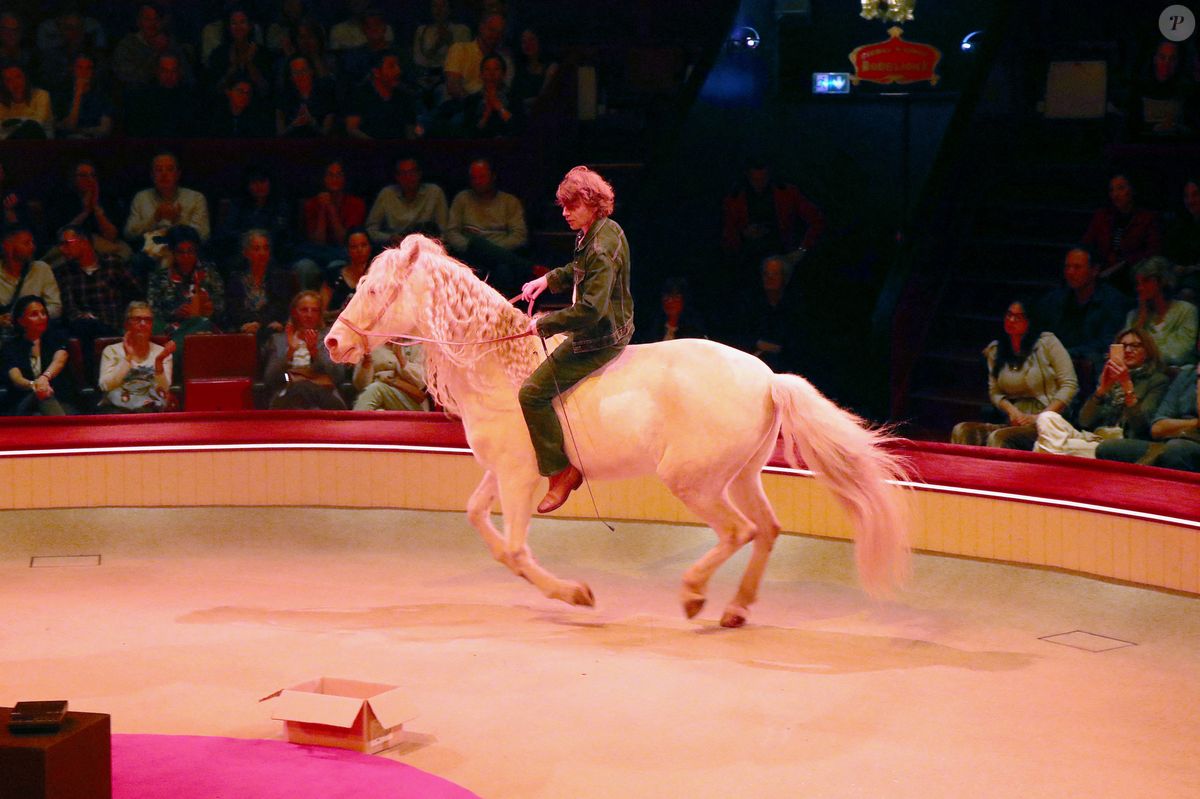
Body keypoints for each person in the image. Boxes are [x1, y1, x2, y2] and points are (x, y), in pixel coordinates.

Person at [516, 166, 633, 513]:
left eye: (571, 206)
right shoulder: (600, 230)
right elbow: (579, 273)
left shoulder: (598, 246)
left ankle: (560, 472)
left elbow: (591, 311)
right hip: (615, 323)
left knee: (531, 394)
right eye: (563, 206)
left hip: (601, 336)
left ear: (592, 203)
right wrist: (549, 280)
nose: (564, 213)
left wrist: (545, 323)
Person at [950, 300, 1078, 450]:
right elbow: (995, 392)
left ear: (1030, 321)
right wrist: (1013, 412)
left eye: (1018, 317)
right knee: (963, 430)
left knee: (999, 437)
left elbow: (1069, 384)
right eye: (1009, 315)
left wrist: (1040, 417)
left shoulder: (1047, 342)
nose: (1011, 320)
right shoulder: (995, 350)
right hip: (1015, 421)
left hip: (1046, 421)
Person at [1034, 328, 1170, 458]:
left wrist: (1127, 386)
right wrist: (1102, 390)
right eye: (1123, 346)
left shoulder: (1157, 381)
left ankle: (1050, 459)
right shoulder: (1109, 377)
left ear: (1147, 351)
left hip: (1121, 446)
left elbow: (1142, 428)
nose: (1128, 350)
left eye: (1136, 346)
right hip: (1095, 439)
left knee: (1042, 445)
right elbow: (1084, 421)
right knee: (1047, 417)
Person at [721, 160, 825, 279]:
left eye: (763, 179)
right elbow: (727, 239)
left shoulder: (788, 193)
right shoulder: (734, 201)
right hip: (749, 263)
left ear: (770, 175)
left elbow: (817, 220)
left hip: (784, 258)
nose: (760, 184)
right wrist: (743, 235)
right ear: (747, 177)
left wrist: (801, 250)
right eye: (755, 180)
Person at [444, 158, 531, 297]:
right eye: (474, 178)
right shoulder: (462, 199)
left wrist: (490, 249)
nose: (478, 181)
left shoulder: (509, 202)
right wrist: (472, 247)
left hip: (502, 256)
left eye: (482, 177)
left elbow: (519, 236)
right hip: (470, 254)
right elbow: (451, 232)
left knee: (504, 270)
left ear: (493, 177)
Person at [1035, 246, 1129, 373]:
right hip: (1057, 362)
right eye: (1067, 267)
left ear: (1094, 270)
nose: (1070, 272)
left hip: (1092, 364)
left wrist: (1068, 354)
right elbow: (1043, 334)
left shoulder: (1113, 301)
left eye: (1077, 267)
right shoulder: (1054, 299)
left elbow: (1108, 341)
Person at [1095, 362, 1200, 472]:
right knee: (1107, 448)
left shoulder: (1157, 381)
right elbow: (1158, 428)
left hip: (1186, 445)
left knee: (1177, 449)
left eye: (1135, 345)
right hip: (1170, 442)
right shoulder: (1187, 374)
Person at [124, 151, 211, 281]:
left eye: (170, 169)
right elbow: (128, 233)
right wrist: (154, 219)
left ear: (178, 174)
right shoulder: (141, 197)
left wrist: (178, 221)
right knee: (137, 260)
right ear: (152, 175)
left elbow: (203, 235)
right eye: (159, 170)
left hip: (185, 251)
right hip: (151, 252)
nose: (164, 174)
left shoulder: (195, 198)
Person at [53, 224, 141, 347]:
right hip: (82, 329)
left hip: (112, 327)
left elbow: (136, 293)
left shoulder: (112, 263)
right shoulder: (64, 272)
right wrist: (82, 317)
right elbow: (69, 306)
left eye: (66, 243)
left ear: (84, 241)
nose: (62, 249)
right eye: (60, 245)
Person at [146, 225, 224, 361]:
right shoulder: (159, 277)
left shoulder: (208, 272)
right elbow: (152, 310)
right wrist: (174, 313)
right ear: (172, 252)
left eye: (191, 251)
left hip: (201, 327)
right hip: (170, 329)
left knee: (202, 323)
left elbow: (221, 303)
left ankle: (165, 358)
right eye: (181, 252)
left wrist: (212, 308)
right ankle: (167, 356)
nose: (186, 256)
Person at [263, 289, 347, 410]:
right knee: (299, 391)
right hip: (287, 394)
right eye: (304, 310)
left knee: (303, 388)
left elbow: (338, 375)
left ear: (320, 314)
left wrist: (315, 353)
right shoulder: (278, 340)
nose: (309, 314)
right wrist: (290, 353)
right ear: (294, 312)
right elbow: (270, 379)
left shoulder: (331, 338)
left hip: (325, 395)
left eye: (314, 310)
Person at [1081, 173, 1162, 294]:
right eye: (1112, 190)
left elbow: (1153, 251)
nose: (1115, 194)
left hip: (1130, 270)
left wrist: (1123, 264)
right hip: (1103, 266)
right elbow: (1087, 244)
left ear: (1132, 190)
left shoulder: (1146, 218)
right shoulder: (1102, 216)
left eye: (1120, 188)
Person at [729, 255, 805, 373]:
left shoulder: (794, 304)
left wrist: (781, 349)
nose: (769, 278)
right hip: (755, 361)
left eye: (775, 274)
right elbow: (737, 334)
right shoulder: (750, 302)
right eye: (766, 274)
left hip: (787, 364)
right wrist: (758, 343)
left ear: (784, 277)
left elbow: (798, 340)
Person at [97, 301, 174, 413]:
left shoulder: (162, 353)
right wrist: (128, 358)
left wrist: (159, 362)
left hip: (151, 409)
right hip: (119, 408)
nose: (143, 324)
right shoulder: (111, 350)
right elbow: (105, 386)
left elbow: (164, 389)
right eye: (137, 319)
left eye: (147, 320)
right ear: (127, 324)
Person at [295, 159, 367, 279]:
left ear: (344, 178)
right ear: (324, 178)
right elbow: (318, 241)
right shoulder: (311, 204)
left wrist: (331, 209)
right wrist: (323, 210)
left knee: (336, 266)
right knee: (304, 266)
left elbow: (344, 240)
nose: (335, 179)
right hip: (317, 253)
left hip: (342, 254)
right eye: (330, 175)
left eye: (338, 175)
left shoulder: (356, 204)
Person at [3, 294, 74, 415]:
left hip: (59, 400)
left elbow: (60, 359)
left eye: (43, 313)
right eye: (34, 314)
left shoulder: (56, 337)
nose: (41, 317)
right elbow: (16, 378)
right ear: (21, 321)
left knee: (41, 410)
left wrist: (44, 378)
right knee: (42, 394)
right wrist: (35, 385)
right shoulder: (11, 346)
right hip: (24, 402)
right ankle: (64, 432)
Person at [1124, 256, 1199, 368]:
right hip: (1142, 375)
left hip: (1178, 376)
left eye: (1146, 281)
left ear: (1162, 281)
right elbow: (1124, 351)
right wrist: (1140, 320)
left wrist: (1142, 353)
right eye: (1137, 283)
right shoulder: (1133, 316)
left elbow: (1178, 354)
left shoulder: (1186, 311)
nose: (1139, 288)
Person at [222, 229, 295, 343]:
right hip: (245, 330)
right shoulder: (235, 280)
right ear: (246, 253)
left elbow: (282, 307)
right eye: (256, 249)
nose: (262, 253)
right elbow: (233, 310)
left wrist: (261, 323)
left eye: (265, 248)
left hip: (273, 329)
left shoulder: (282, 278)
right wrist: (245, 325)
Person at [364, 157, 447, 246]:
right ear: (397, 177)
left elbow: (444, 231)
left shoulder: (434, 192)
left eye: (412, 172)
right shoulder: (387, 194)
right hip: (395, 249)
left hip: (428, 248)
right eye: (403, 173)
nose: (408, 177)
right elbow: (371, 230)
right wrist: (389, 238)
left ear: (419, 174)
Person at [0, 226, 62, 342]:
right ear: (8, 246)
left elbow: (56, 307)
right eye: (26, 243)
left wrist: (33, 316)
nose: (33, 247)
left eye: (32, 242)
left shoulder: (41, 269)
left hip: (35, 334)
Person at [111, 2, 193, 89]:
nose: (152, 24)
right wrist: (156, 53)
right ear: (138, 21)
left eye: (156, 19)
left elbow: (187, 76)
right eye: (147, 19)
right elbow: (126, 77)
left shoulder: (170, 43)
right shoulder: (127, 45)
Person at [344, 50, 418, 140]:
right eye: (392, 66)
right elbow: (352, 129)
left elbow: (410, 132)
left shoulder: (404, 97)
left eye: (398, 66)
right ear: (376, 72)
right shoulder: (360, 94)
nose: (398, 71)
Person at [122, 52, 199, 138]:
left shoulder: (189, 96)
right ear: (157, 71)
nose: (169, 76)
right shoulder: (144, 96)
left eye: (174, 71)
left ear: (180, 72)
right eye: (165, 71)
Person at [204, 6, 271, 99]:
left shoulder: (264, 53)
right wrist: (233, 68)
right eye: (234, 23)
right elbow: (215, 89)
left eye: (242, 22)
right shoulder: (219, 53)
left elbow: (266, 90)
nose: (238, 27)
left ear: (250, 25)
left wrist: (248, 63)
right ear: (229, 27)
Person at [351, 341, 429, 411]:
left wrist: (401, 359)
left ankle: (352, 425)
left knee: (377, 388)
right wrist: (365, 366)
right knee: (379, 412)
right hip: (376, 398)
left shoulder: (416, 345)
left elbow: (421, 383)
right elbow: (361, 386)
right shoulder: (372, 345)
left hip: (411, 401)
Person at [52, 52, 112, 139]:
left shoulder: (102, 95)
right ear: (73, 69)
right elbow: (65, 125)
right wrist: (78, 94)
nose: (84, 72)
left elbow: (105, 129)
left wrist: (81, 131)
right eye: (79, 67)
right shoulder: (62, 94)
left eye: (88, 68)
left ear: (93, 71)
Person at [460, 53, 521, 137]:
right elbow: (469, 132)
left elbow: (519, 127)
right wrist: (486, 114)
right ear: (481, 74)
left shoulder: (514, 96)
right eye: (487, 69)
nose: (491, 74)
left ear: (503, 74)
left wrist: (499, 107)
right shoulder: (472, 100)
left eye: (496, 69)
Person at [275, 53, 335, 137]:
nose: (301, 76)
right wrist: (294, 125)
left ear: (312, 72)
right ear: (291, 77)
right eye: (296, 72)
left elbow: (327, 133)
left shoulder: (325, 96)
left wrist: (312, 123)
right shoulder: (284, 98)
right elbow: (280, 134)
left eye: (304, 70)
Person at [321, 226, 371, 323]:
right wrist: (340, 313)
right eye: (354, 247)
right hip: (335, 327)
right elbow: (319, 313)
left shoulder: (380, 275)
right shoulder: (333, 274)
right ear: (347, 249)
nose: (359, 250)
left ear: (370, 247)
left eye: (363, 245)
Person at [636, 276, 706, 343]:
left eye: (676, 297)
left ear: (685, 300)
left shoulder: (694, 332)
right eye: (666, 297)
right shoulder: (652, 328)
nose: (670, 301)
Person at [1163, 177, 1200, 302]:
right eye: (1187, 196)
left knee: (1186, 294)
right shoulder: (1182, 224)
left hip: (1194, 276)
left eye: (1195, 195)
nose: (1190, 201)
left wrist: (1188, 269)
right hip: (1183, 274)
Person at [510, 27, 559, 115]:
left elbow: (546, 99)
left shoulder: (551, 68)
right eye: (524, 41)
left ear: (540, 41)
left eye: (531, 39)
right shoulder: (519, 68)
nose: (528, 44)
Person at [0, 63, 54, 139]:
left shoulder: (41, 95)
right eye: (9, 80)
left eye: (18, 77)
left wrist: (14, 123)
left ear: (25, 78)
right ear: (4, 84)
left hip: (40, 142)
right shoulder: (1, 102)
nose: (15, 83)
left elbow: (38, 122)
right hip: (9, 143)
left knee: (31, 127)